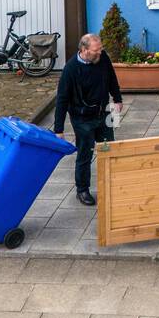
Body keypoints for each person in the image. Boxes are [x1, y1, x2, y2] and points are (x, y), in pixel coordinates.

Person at [53, 33, 123, 206]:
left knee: (108, 148)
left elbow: (112, 77)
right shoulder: (71, 69)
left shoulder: (102, 58)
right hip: (82, 119)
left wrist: (117, 98)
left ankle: (110, 184)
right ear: (84, 50)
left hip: (103, 113)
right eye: (96, 50)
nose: (100, 53)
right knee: (85, 153)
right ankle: (82, 190)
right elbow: (62, 98)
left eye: (100, 49)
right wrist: (58, 129)